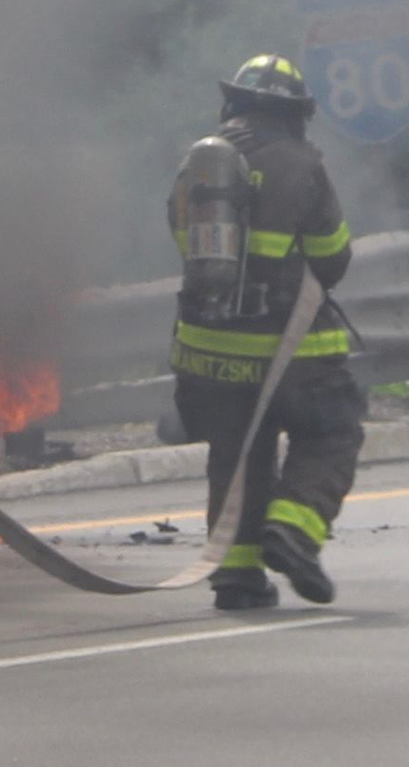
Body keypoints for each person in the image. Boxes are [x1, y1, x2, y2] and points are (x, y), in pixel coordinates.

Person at [166, 54, 361, 610]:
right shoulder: (302, 166)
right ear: (296, 114)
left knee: (234, 455)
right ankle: (294, 532)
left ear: (234, 104)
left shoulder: (196, 168)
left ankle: (237, 577)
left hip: (207, 353)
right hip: (293, 354)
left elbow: (184, 245)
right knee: (331, 433)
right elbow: (332, 259)